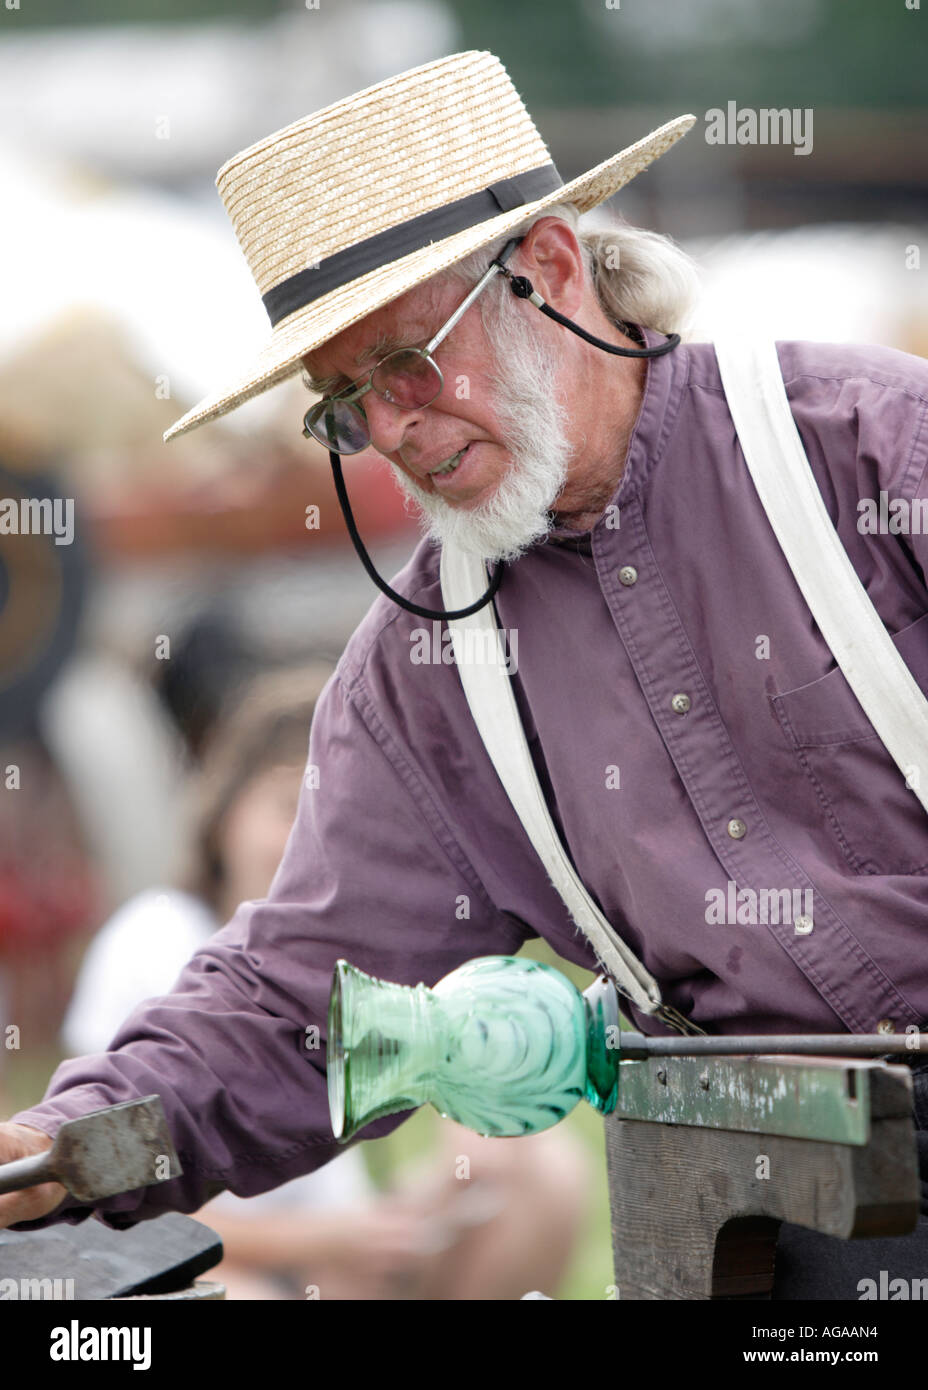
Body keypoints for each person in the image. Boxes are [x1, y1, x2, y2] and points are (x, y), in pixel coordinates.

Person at [2, 50, 928, 1299]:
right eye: (343, 404)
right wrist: (72, 1145)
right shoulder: (432, 672)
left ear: (547, 269)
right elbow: (298, 996)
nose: (388, 432)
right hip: (755, 1214)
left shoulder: (870, 446)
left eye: (406, 361)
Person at [59, 662, 589, 1299]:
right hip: (225, 1259)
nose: (313, 838)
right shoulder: (155, 933)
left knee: (540, 1176)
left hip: (345, 1253)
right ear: (223, 811)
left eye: (334, 813)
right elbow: (108, 1192)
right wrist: (325, 1241)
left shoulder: (377, 940)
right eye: (291, 807)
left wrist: (468, 1122)